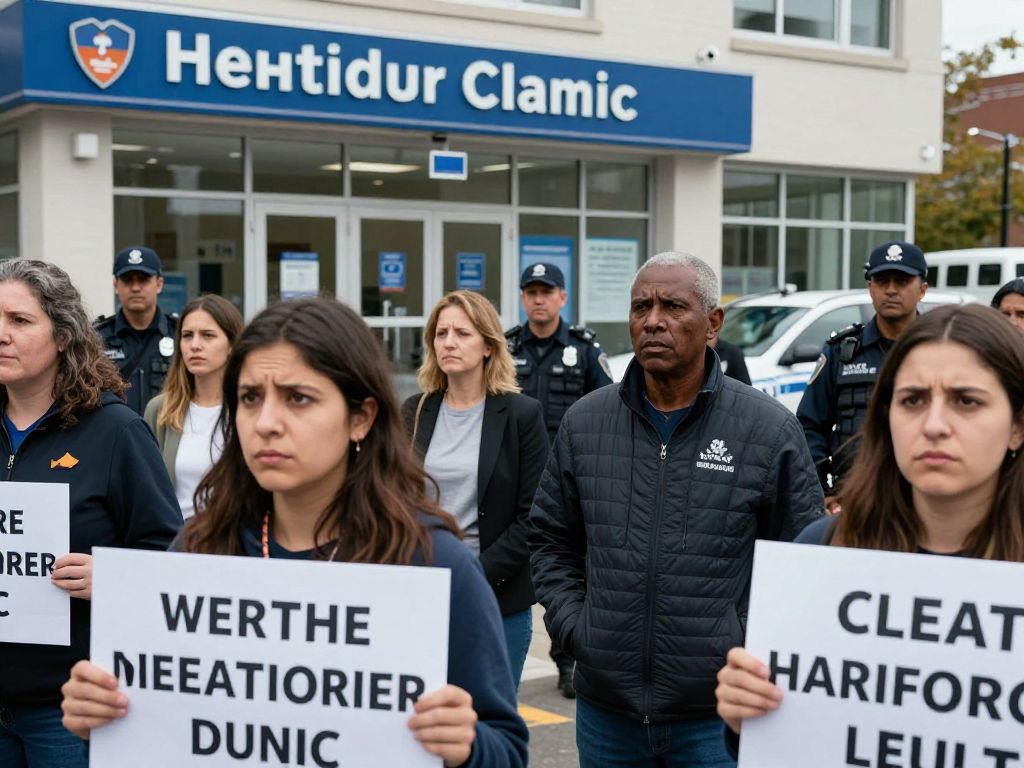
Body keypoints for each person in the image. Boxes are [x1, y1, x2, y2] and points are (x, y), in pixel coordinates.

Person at [60, 297, 529, 768]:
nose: (266, 423)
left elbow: (505, 749)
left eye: (298, 398)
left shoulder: (433, 564)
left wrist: (465, 746)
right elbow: (157, 735)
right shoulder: (199, 552)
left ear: (361, 417)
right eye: (249, 398)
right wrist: (101, 721)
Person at [528, 251, 823, 768]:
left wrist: (744, 644)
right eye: (641, 306)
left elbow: (805, 561)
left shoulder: (768, 429)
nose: (653, 320)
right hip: (607, 716)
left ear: (712, 323)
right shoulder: (585, 423)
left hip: (717, 720)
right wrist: (579, 628)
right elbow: (551, 539)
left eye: (672, 306)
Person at [715, 303, 1024, 755]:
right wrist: (747, 716)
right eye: (912, 400)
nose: (934, 425)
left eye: (967, 400)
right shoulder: (822, 552)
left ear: (1017, 426)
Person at [0, 259, 182, 768]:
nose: (2, 335)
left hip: (69, 708)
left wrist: (114, 575)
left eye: (19, 321)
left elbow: (171, 553)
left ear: (62, 336)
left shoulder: (115, 432)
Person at [404, 290, 548, 691]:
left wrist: (471, 574)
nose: (448, 342)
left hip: (496, 597)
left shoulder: (521, 415)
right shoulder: (415, 411)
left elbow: (533, 518)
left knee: (488, 727)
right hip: (422, 593)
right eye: (441, 332)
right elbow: (396, 500)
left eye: (462, 333)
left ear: (488, 345)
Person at [504, 261, 612, 698]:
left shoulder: (584, 349)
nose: (539, 298)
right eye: (531, 291)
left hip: (570, 476)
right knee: (524, 565)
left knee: (571, 567)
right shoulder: (507, 347)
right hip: (518, 477)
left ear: (562, 297)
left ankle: (568, 661)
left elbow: (609, 408)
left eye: (547, 291)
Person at [797, 241, 928, 501]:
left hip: (923, 497)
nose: (890, 290)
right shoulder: (842, 351)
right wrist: (823, 489)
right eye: (881, 281)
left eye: (901, 281)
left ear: (922, 289)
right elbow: (808, 426)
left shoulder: (942, 349)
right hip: (854, 496)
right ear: (870, 288)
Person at [144, 295, 244, 520]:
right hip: (174, 544)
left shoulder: (248, 410)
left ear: (232, 345)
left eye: (208, 335)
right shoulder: (160, 410)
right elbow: (145, 491)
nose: (195, 345)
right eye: (187, 336)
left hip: (231, 543)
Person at [95, 246, 179, 416]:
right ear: (115, 285)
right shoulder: (97, 338)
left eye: (143, 279)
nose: (135, 288)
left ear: (159, 284)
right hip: (116, 437)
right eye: (127, 280)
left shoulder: (179, 334)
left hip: (164, 434)